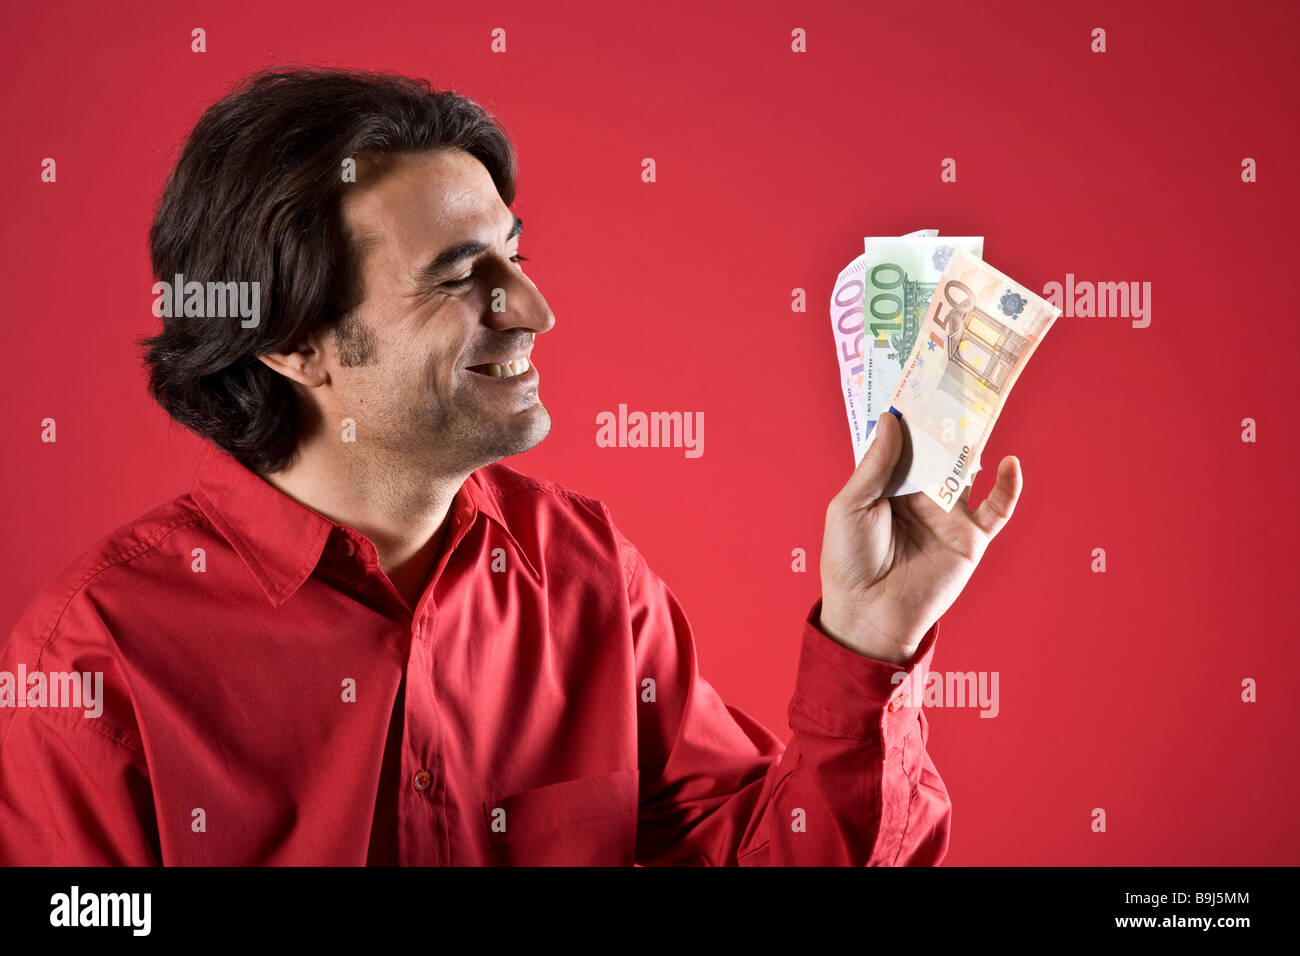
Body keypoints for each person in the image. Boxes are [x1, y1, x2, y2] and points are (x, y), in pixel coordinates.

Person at [0, 68, 1022, 865]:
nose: (531, 311)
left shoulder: (586, 571)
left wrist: (870, 638)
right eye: (460, 278)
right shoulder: (94, 656)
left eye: (513, 259)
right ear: (291, 340)